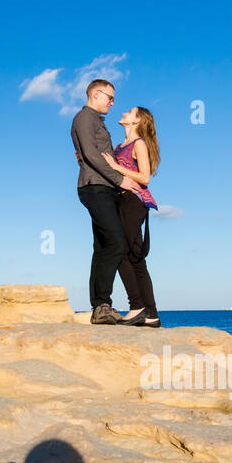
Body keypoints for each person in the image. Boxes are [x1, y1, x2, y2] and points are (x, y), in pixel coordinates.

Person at [70, 79, 128, 325]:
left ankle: (100, 307)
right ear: (95, 94)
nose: (112, 103)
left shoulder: (96, 121)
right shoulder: (85, 118)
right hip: (95, 187)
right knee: (117, 242)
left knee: (103, 247)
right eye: (110, 97)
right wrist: (120, 180)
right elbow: (92, 154)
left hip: (103, 187)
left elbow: (94, 154)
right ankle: (102, 304)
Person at [100, 106, 160, 327]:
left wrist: (115, 166)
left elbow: (145, 177)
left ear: (137, 121)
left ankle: (137, 307)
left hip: (134, 201)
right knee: (136, 259)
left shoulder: (139, 144)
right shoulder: (118, 146)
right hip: (121, 201)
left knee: (121, 252)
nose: (124, 112)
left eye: (130, 112)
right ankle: (151, 314)